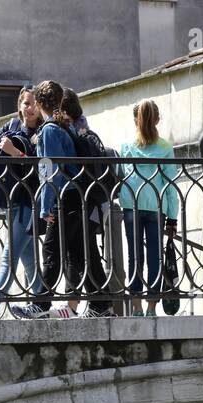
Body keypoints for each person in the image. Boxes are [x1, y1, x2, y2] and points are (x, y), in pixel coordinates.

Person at [18, 80, 90, 319]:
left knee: (51, 251)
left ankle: (40, 305)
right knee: (76, 253)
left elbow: (49, 170)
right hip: (76, 195)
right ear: (59, 101)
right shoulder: (64, 127)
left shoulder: (49, 130)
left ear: (38, 104)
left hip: (63, 197)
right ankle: (99, 303)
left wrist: (45, 206)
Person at [0, 87, 42, 319]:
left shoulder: (44, 132)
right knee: (29, 259)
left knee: (9, 256)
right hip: (11, 198)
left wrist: (15, 154)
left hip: (30, 200)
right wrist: (2, 162)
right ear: (19, 106)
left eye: (33, 103)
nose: (29, 108)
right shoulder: (11, 127)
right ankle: (41, 303)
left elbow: (41, 167)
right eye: (25, 103)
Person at [117, 98, 179, 317]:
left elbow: (120, 176)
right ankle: (152, 307)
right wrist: (173, 218)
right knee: (155, 256)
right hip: (156, 205)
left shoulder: (126, 147)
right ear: (158, 120)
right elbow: (170, 186)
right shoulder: (165, 147)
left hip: (130, 204)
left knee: (134, 256)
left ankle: (136, 307)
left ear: (136, 120)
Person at [62, 88, 116, 316]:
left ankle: (77, 306)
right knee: (86, 251)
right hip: (93, 200)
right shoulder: (84, 129)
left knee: (77, 252)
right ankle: (100, 305)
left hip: (82, 200)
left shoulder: (74, 133)